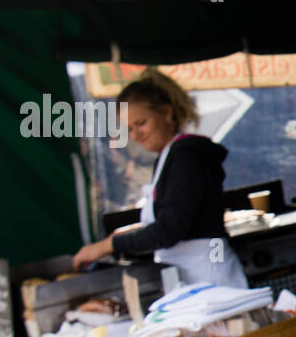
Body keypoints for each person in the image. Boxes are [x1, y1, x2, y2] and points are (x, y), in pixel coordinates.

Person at [72, 69, 248, 287]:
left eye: (141, 123)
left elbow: (170, 229)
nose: (136, 135)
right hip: (196, 273)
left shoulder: (186, 157)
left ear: (166, 113)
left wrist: (109, 244)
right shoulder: (168, 157)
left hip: (211, 270)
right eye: (129, 129)